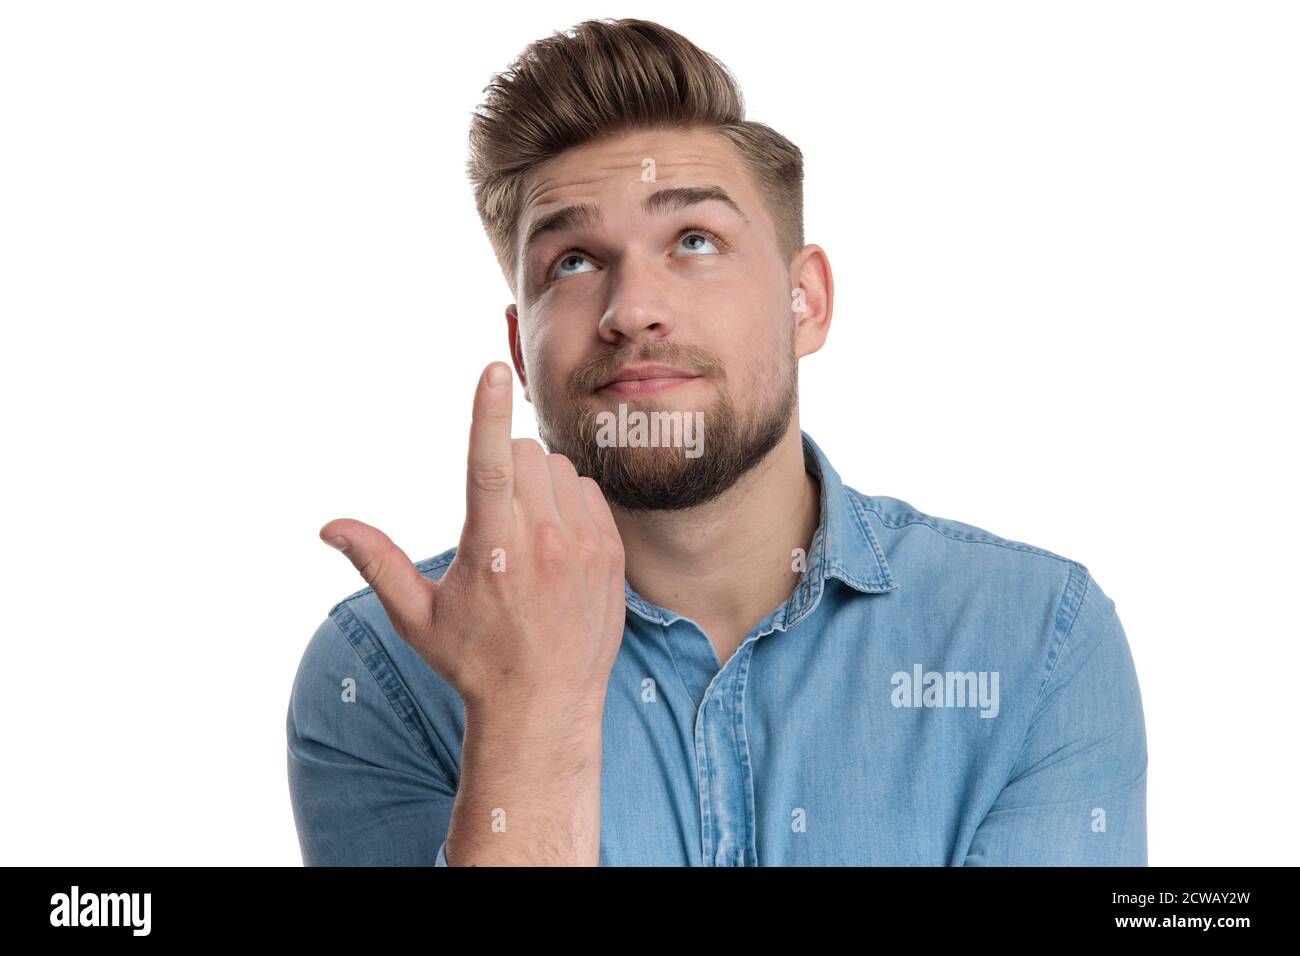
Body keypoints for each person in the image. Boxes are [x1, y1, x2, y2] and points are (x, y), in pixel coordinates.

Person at [286, 17, 1147, 866]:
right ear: (521, 345)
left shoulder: (1036, 642)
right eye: (574, 263)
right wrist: (527, 717)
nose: (631, 310)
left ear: (804, 301)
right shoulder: (386, 674)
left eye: (694, 240)